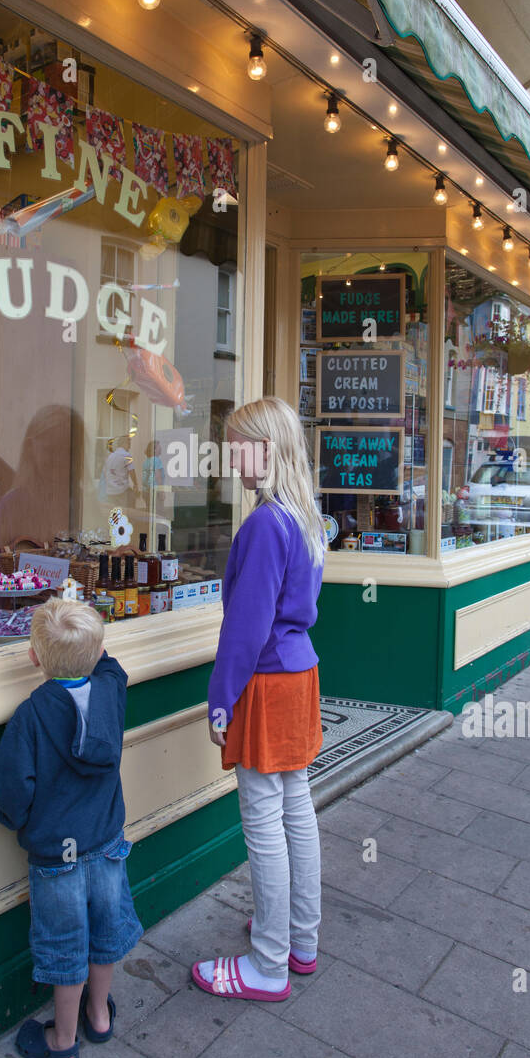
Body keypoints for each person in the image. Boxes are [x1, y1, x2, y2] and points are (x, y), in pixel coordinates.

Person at [191, 396, 325, 1002]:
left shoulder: (264, 525)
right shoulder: (300, 516)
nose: (230, 455)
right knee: (296, 806)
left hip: (266, 683)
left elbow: (245, 630)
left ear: (265, 449)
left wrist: (220, 699)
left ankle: (267, 963)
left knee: (264, 822)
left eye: (239, 443)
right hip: (297, 676)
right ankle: (299, 939)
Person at [0, 598, 143, 1058]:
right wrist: (91, 645)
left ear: (33, 657)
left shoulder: (31, 715)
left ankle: (62, 1040)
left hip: (57, 856)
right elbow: (110, 664)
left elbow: (14, 784)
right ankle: (98, 1017)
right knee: (104, 932)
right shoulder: (111, 690)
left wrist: (18, 822)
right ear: (98, 653)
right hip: (106, 842)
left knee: (64, 944)